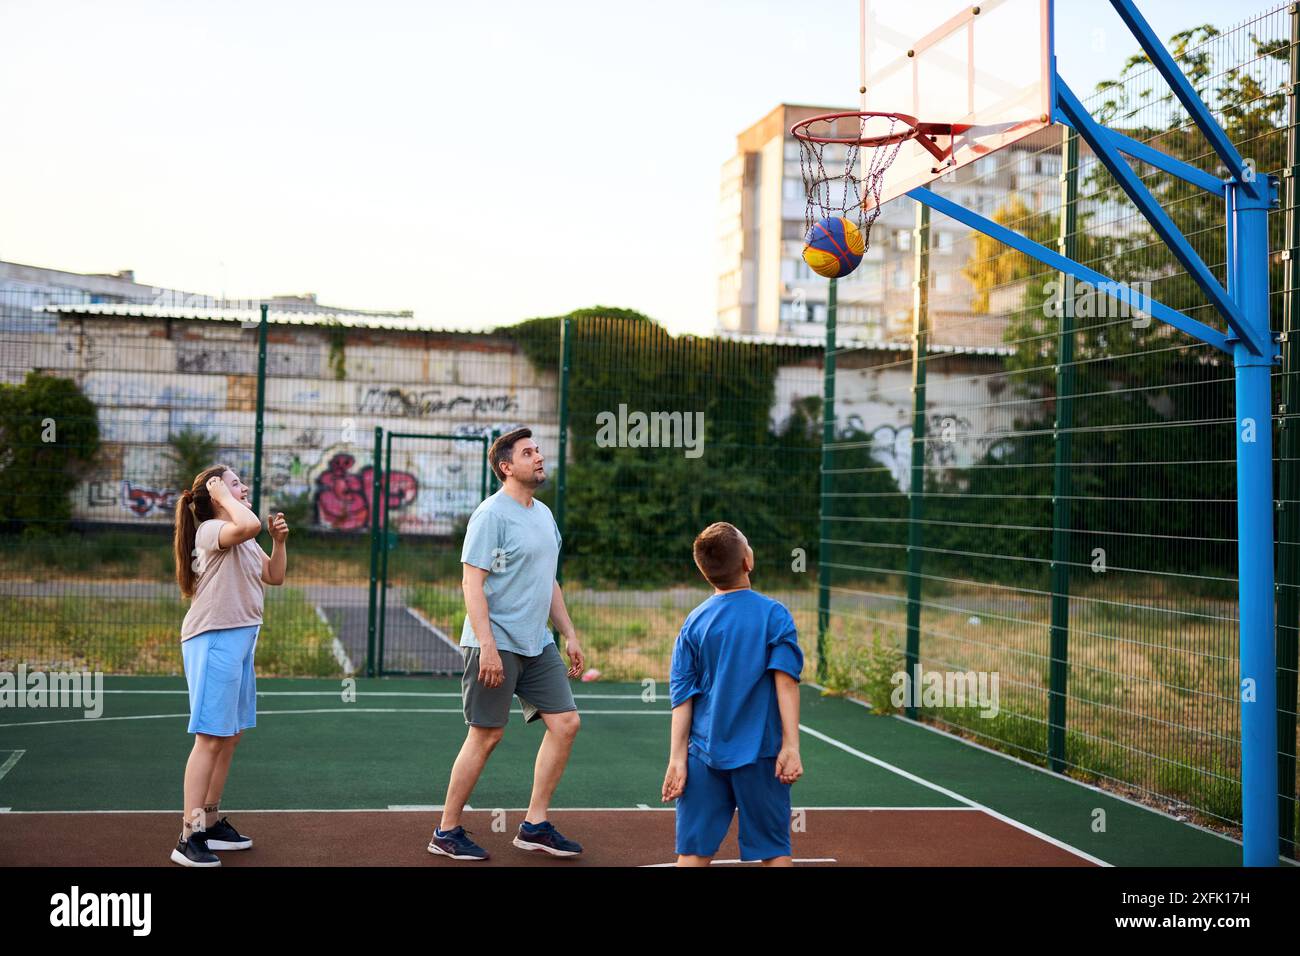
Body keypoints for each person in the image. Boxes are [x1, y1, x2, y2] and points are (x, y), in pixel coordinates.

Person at [428, 427, 587, 861]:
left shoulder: (543, 515)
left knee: (567, 724)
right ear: (506, 467)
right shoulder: (491, 515)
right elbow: (471, 582)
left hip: (537, 644)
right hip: (493, 643)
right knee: (486, 735)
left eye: (538, 450)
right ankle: (446, 831)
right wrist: (488, 646)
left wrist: (569, 633)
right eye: (528, 452)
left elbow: (548, 580)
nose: (538, 457)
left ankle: (534, 825)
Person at [661, 521, 804, 866]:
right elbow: (786, 682)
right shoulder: (774, 615)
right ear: (747, 561)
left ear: (704, 572)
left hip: (703, 755)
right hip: (762, 755)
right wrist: (791, 745)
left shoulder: (693, 623)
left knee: (693, 853)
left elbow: (682, 699)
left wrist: (677, 759)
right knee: (773, 851)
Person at [170, 464, 289, 867]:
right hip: (214, 638)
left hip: (240, 640)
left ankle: (211, 819)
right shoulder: (210, 531)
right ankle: (189, 835)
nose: (244, 487)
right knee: (209, 737)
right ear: (216, 494)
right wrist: (221, 495)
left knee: (230, 735)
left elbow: (274, 576)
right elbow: (248, 525)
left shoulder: (245, 535)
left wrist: (279, 543)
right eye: (235, 483)